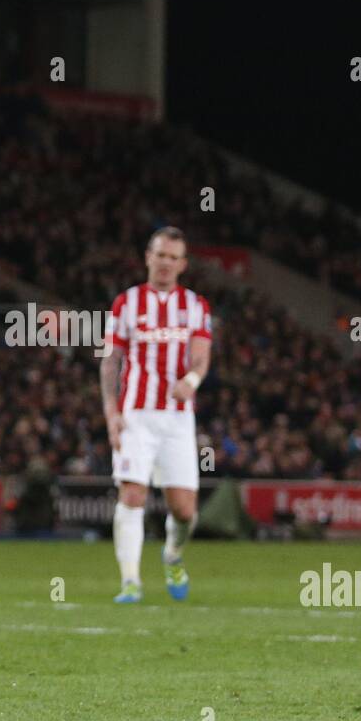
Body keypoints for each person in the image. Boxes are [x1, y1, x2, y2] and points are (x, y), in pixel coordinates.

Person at [100, 226, 213, 604]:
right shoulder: (126, 303)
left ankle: (173, 555)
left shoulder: (196, 306)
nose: (165, 262)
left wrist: (193, 378)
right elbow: (111, 360)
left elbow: (201, 354)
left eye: (173, 257)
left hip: (178, 418)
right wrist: (111, 412)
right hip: (136, 414)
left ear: (182, 264)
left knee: (184, 510)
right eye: (159, 254)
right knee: (132, 494)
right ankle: (130, 581)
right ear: (148, 257)